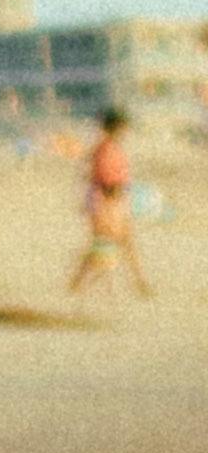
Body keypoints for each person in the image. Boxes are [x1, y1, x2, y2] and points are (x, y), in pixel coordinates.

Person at [68, 103, 150, 308]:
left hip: (110, 199)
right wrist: (114, 199)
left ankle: (139, 282)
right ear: (116, 127)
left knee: (119, 241)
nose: (125, 131)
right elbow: (106, 179)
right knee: (105, 243)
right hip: (106, 200)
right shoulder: (106, 148)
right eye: (123, 127)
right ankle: (78, 285)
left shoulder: (106, 146)